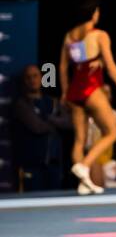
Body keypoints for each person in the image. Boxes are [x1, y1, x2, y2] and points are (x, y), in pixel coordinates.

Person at [59, 0, 116, 195]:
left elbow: (61, 68)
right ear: (93, 13)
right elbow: (110, 65)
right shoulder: (100, 35)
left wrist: (64, 91)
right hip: (91, 88)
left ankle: (84, 183)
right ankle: (85, 165)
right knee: (112, 132)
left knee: (79, 140)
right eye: (97, 11)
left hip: (74, 90)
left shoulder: (69, 36)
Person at [14, 63, 72, 192]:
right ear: (24, 81)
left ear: (41, 78)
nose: (32, 80)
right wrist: (56, 122)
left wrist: (49, 118)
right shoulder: (21, 104)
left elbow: (69, 123)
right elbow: (37, 127)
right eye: (28, 77)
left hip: (54, 164)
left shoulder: (53, 101)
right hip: (32, 165)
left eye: (35, 76)